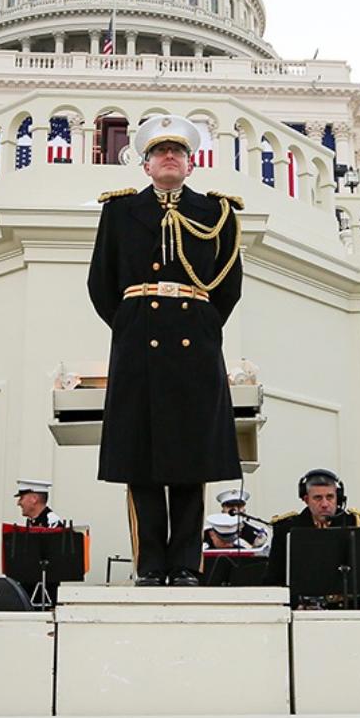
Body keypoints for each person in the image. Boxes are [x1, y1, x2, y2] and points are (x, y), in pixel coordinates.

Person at [88, 113, 244, 587]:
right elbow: (101, 283)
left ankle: (184, 565)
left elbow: (229, 287)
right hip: (140, 349)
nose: (169, 157)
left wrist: (203, 325)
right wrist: (131, 326)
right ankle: (151, 565)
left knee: (191, 463)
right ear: (146, 165)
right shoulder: (119, 212)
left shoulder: (217, 213)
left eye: (178, 152)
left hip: (194, 349)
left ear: (191, 165)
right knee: (143, 464)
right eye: (159, 152)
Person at [267, 468, 360, 592]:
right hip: (304, 607)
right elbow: (273, 579)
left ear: (338, 498)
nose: (324, 504)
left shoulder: (359, 524)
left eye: (330, 497)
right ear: (306, 500)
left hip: (352, 605)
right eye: (318, 498)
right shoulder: (286, 528)